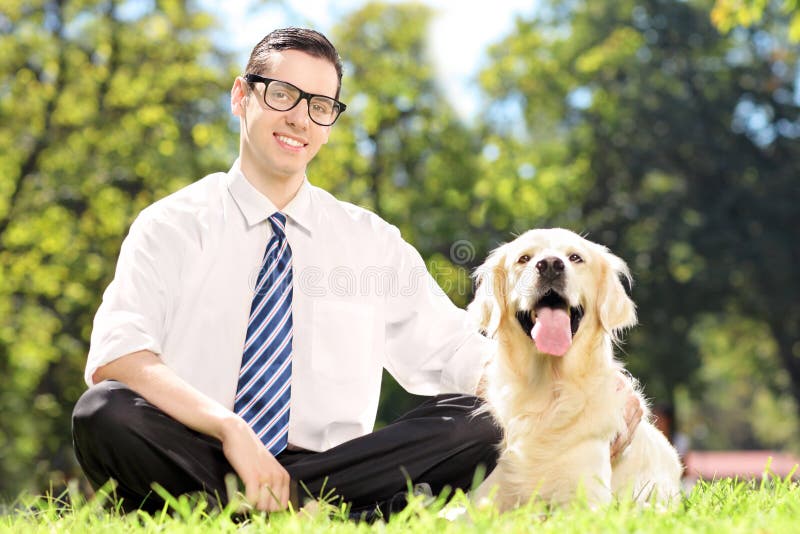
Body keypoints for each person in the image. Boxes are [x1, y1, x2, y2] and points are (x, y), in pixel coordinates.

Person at [72, 27, 640, 517]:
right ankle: (294, 512)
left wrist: (597, 385)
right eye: (283, 94)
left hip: (337, 472)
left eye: (321, 105)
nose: (301, 117)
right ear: (241, 96)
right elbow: (119, 355)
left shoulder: (370, 242)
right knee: (105, 413)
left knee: (479, 420)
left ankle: (281, 506)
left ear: (330, 122)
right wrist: (230, 429)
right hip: (201, 448)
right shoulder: (171, 225)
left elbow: (456, 355)